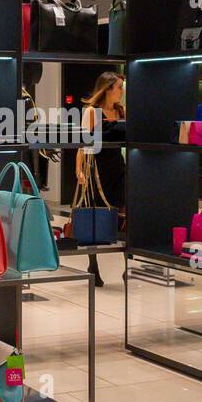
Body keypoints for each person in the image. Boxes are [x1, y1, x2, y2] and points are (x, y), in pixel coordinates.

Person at [76, 72, 126, 286]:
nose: (122, 92)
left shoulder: (121, 111)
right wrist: (79, 170)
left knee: (123, 213)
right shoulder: (91, 112)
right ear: (107, 89)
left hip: (117, 166)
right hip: (96, 168)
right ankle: (93, 263)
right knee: (94, 215)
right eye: (119, 87)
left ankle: (127, 264)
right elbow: (83, 143)